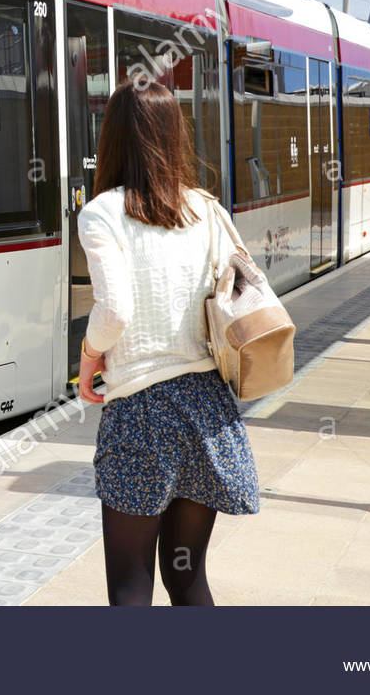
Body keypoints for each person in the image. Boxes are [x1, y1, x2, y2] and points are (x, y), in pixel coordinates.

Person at [77, 80, 259, 606]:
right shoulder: (207, 209)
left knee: (131, 585)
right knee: (186, 576)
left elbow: (115, 311)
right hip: (206, 408)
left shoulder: (102, 213)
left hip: (141, 411)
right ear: (174, 135)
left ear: (111, 139)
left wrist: (89, 358)